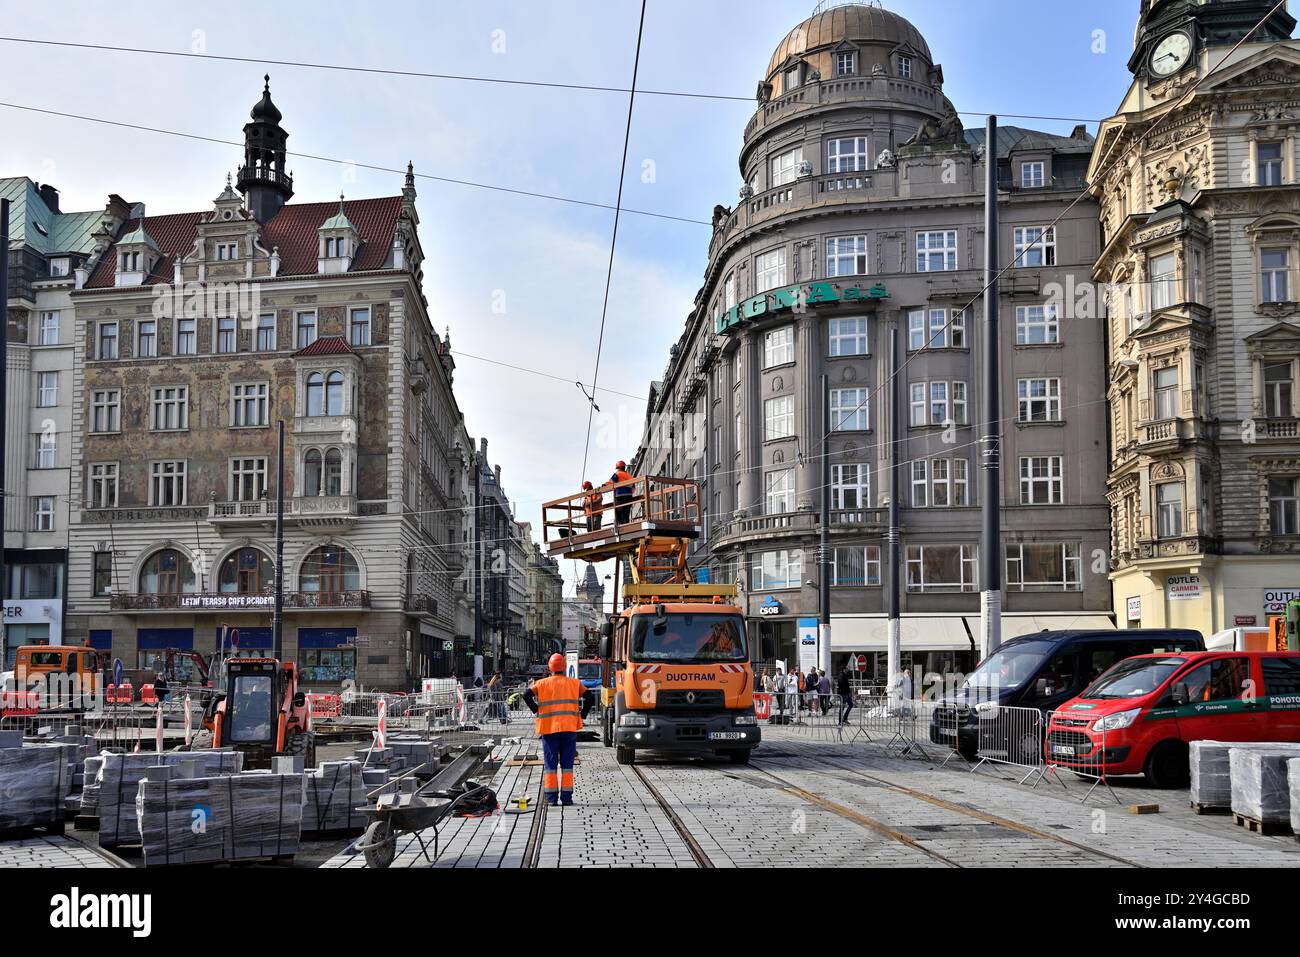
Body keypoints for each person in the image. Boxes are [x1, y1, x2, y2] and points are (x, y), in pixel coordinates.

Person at [522, 653, 593, 806]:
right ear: (564, 667)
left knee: (550, 766)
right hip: (569, 729)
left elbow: (526, 695)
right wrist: (583, 714)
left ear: (550, 667)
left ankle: (551, 799)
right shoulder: (574, 683)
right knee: (567, 765)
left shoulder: (541, 684)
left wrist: (536, 709)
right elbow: (590, 697)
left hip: (548, 730)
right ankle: (567, 798)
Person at [611, 460, 635, 525]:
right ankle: (626, 526)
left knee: (618, 513)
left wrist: (604, 485)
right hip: (629, 497)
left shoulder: (617, 474)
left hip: (620, 496)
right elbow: (633, 487)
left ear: (619, 467)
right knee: (626, 513)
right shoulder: (629, 475)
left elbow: (611, 482)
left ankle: (620, 527)